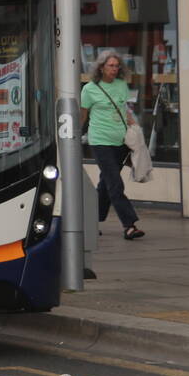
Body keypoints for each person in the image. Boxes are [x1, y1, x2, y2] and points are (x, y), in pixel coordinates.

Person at [81, 50, 145, 240]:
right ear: (101, 67)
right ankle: (129, 225)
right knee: (115, 183)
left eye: (117, 66)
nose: (115, 69)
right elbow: (83, 114)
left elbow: (124, 110)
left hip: (121, 141)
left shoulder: (121, 85)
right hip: (100, 141)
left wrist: (136, 129)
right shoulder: (89, 89)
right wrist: (74, 135)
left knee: (105, 184)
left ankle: (90, 222)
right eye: (111, 65)